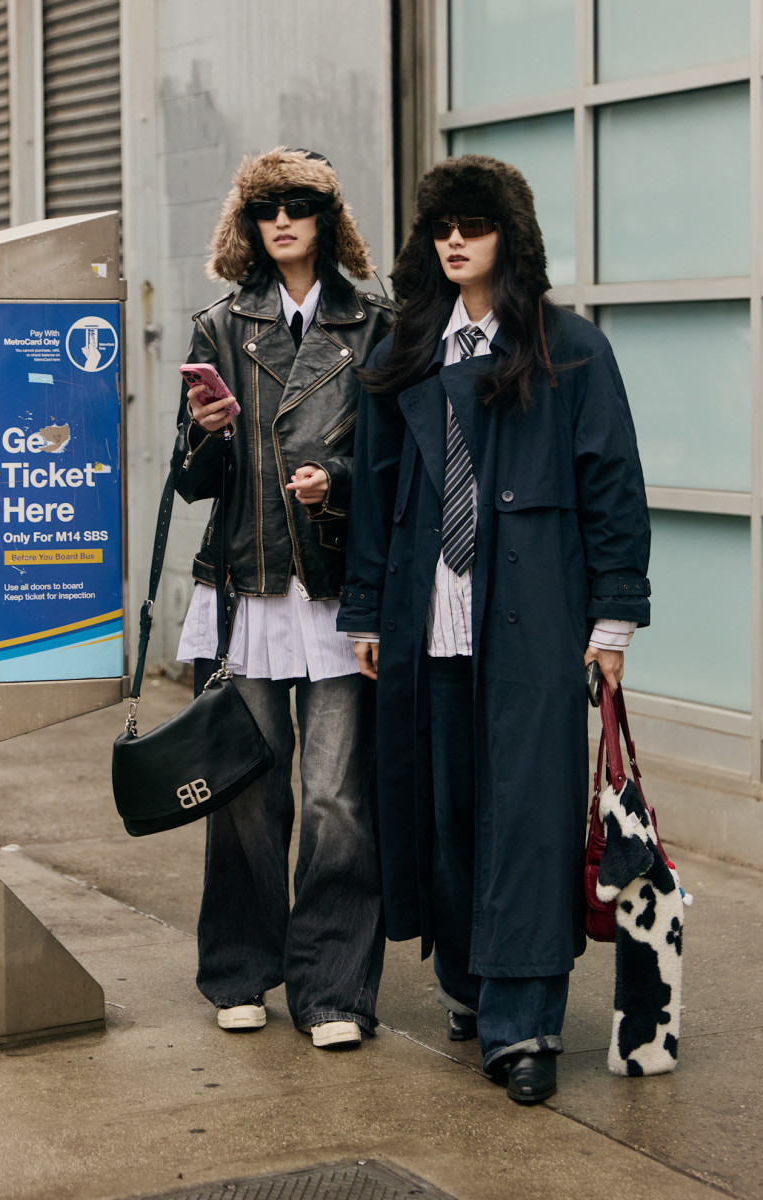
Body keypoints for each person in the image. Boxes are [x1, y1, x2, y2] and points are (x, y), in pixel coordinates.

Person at [337, 155, 651, 1100]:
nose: (457, 241)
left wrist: (613, 621)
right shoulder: (404, 353)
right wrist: (364, 610)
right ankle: (469, 987)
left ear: (509, 235)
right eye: (442, 228)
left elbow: (613, 489)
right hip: (428, 619)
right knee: (447, 816)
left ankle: (525, 1029)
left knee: (526, 820)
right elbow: (377, 493)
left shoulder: (570, 350)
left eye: (474, 225)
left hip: (533, 624)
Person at [171, 147, 392, 1049]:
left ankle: (333, 988)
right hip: (246, 587)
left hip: (336, 588)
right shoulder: (220, 326)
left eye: (303, 204)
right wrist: (205, 431)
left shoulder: (375, 325)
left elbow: (388, 460)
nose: (285, 219)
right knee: (246, 792)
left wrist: (331, 481)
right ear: (251, 224)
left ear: (328, 219)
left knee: (339, 799)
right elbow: (194, 485)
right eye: (269, 206)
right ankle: (240, 968)